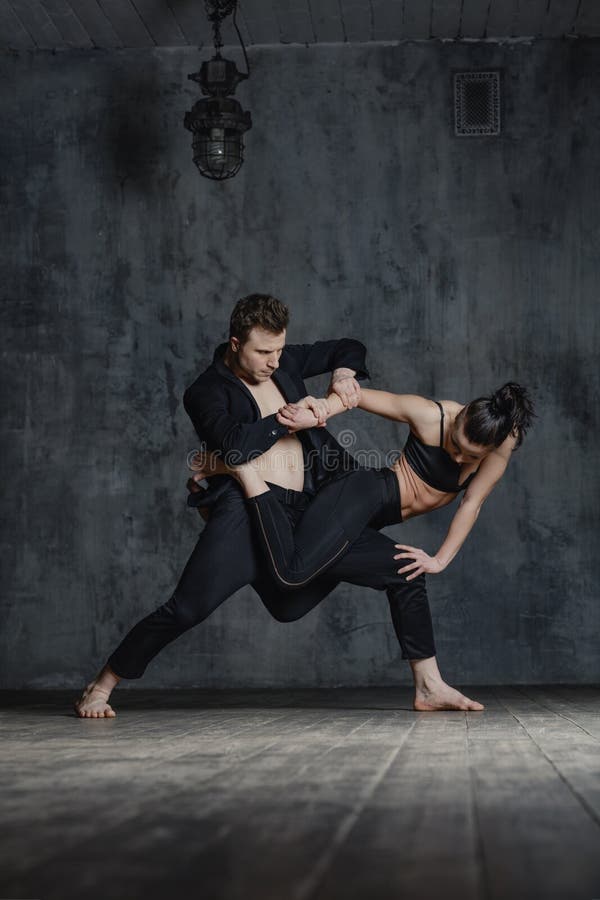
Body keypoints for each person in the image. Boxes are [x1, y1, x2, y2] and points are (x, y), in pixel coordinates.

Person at [75, 295, 474, 718]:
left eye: (280, 350)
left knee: (391, 574)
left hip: (311, 508)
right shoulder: (206, 392)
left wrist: (341, 377)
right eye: (263, 352)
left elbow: (348, 346)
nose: (273, 361)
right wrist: (296, 414)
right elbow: (235, 445)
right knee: (186, 608)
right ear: (234, 343)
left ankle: (429, 687)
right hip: (246, 513)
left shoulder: (282, 364)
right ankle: (101, 685)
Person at [192, 381, 534, 670]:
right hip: (367, 492)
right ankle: (235, 470)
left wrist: (440, 559)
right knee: (292, 571)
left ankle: (238, 530)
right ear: (458, 418)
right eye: (457, 446)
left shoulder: (499, 448)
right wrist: (321, 408)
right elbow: (356, 398)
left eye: (471, 458)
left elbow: (472, 502)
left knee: (288, 605)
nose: (458, 459)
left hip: (372, 520)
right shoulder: (432, 415)